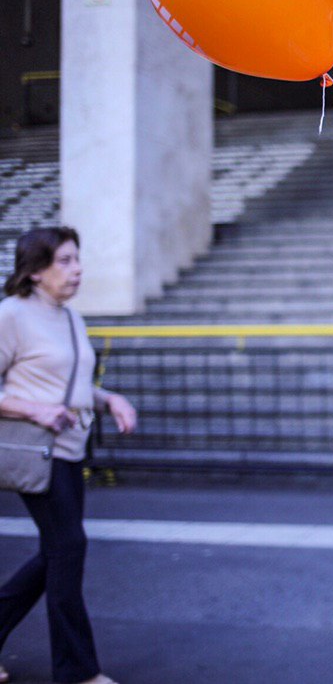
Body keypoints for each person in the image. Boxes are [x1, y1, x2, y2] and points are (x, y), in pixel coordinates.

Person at [0, 227, 136, 684]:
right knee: (68, 548)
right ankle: (77, 672)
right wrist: (35, 408)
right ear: (36, 271)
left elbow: (73, 385)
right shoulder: (12, 315)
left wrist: (109, 399)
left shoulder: (69, 317)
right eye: (65, 260)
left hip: (69, 448)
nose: (77, 269)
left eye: (78, 259)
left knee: (57, 553)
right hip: (35, 450)